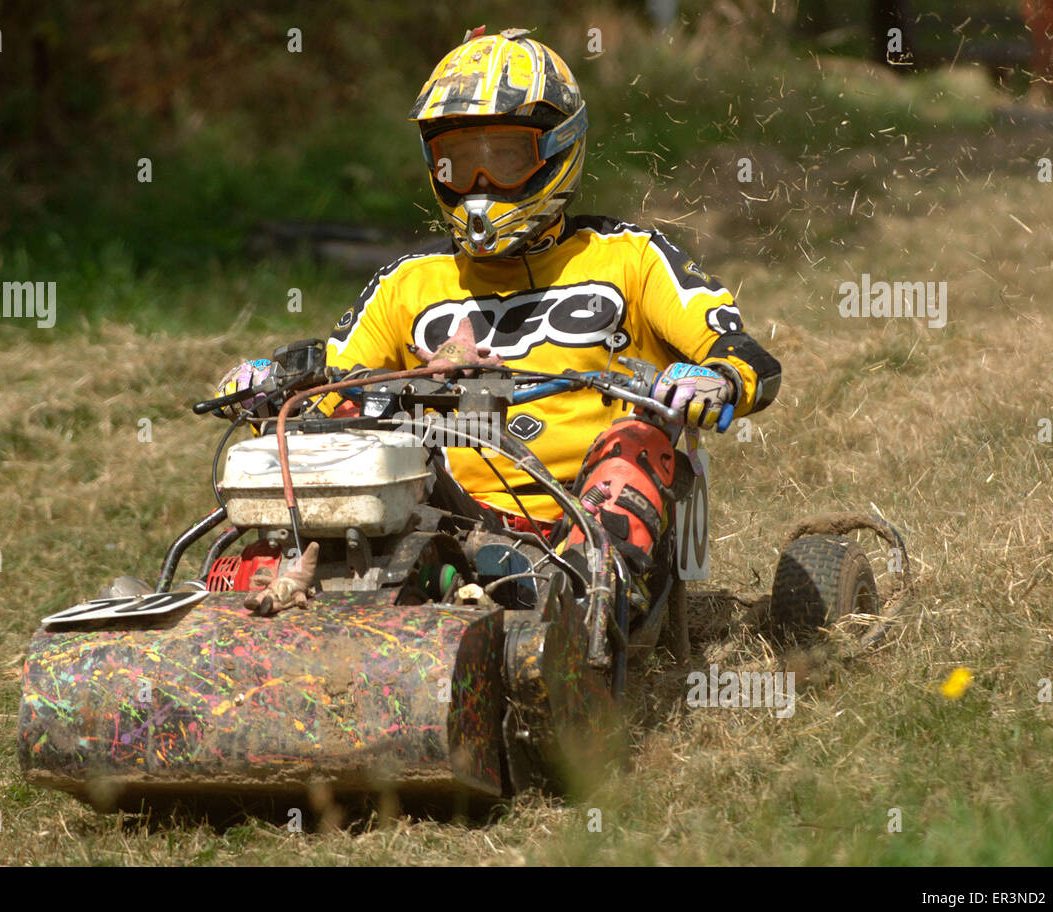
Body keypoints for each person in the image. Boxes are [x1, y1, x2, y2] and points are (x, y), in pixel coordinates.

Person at [220, 27, 780, 578]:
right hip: (442, 515)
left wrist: (718, 380)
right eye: (459, 164)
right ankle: (245, 599)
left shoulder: (630, 257)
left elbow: (739, 351)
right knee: (321, 451)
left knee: (637, 440)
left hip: (588, 515)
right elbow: (330, 394)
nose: (480, 186)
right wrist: (272, 389)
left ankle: (591, 602)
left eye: (505, 159)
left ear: (560, 145)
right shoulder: (407, 281)